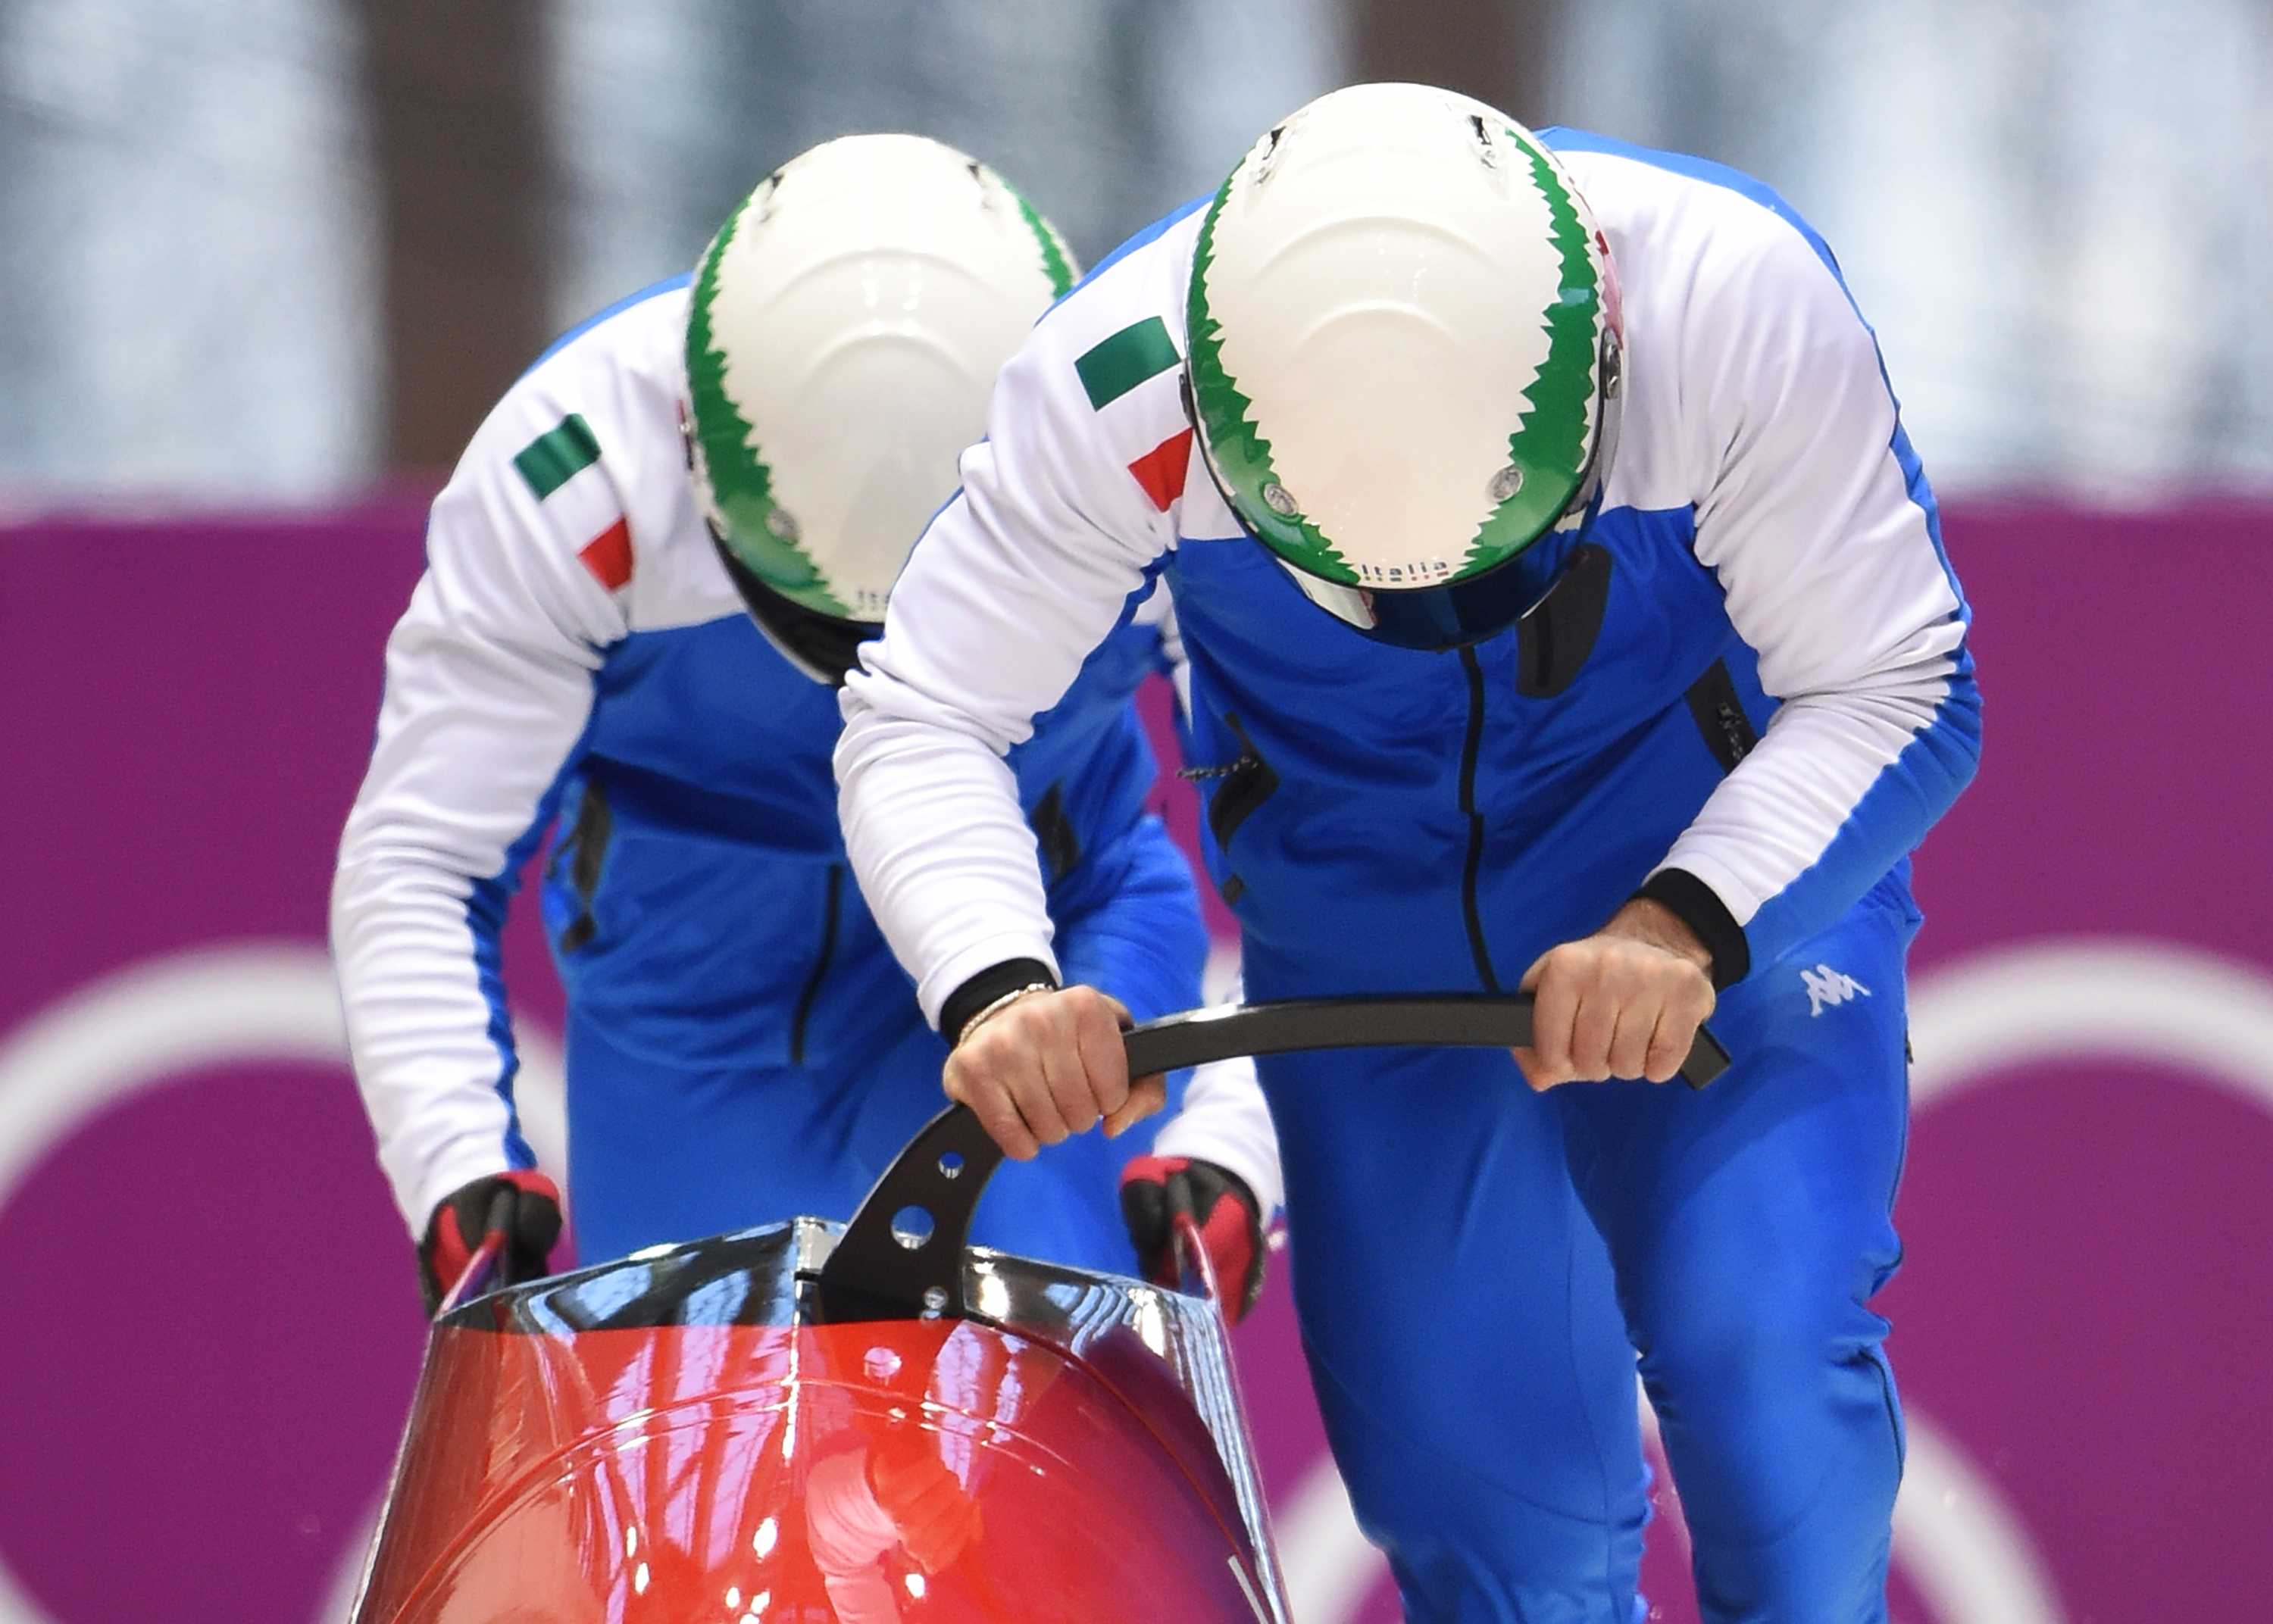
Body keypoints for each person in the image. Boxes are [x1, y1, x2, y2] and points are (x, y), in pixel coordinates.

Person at [833, 84, 1981, 1622]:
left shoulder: (1737, 297)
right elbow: (922, 715)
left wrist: (1687, 923)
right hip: (1366, 930)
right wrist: (996, 983)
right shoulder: (1111, 391)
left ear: (1600, 372)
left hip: (1719, 866)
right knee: (1488, 1516)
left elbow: (1900, 684)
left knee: (1757, 1352)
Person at [330, 133, 1280, 1316]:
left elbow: (1305, 829)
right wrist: (458, 1160)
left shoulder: (1142, 429)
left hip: (1056, 982)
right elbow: (425, 858)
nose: (878, 699)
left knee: (1011, 1431)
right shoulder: (567, 482)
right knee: (700, 1456)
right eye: (839, 636)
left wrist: (1233, 1136)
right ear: (693, 454)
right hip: (702, 1010)